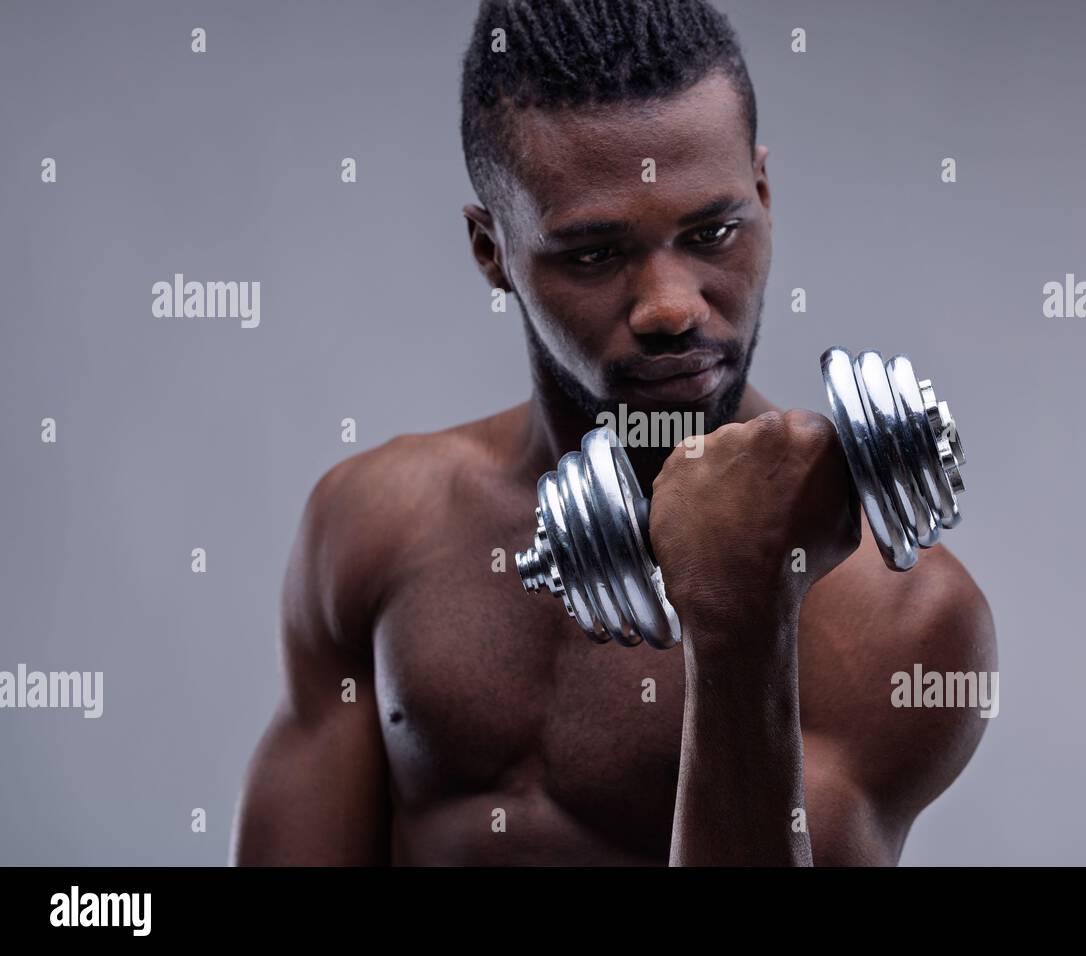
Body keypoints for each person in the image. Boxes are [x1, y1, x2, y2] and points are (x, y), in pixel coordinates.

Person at [232, 0, 995, 866]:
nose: (671, 306)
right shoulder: (372, 523)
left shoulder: (896, 617)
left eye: (713, 233)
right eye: (594, 254)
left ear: (765, 198)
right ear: (492, 251)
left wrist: (744, 621)